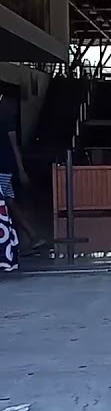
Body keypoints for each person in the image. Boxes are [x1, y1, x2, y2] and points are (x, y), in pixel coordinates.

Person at [0, 84, 26, 272]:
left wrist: (21, 169)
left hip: (3, 165)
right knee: (8, 200)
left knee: (6, 202)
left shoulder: (5, 115)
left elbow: (14, 144)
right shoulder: (7, 114)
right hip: (6, 164)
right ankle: (32, 235)